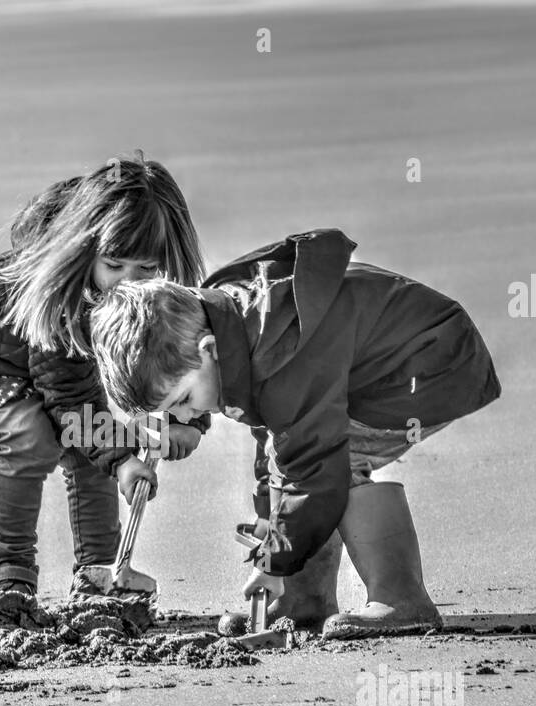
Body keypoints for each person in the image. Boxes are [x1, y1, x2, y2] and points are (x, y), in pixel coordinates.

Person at [88, 228, 501, 629]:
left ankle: (402, 599)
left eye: (182, 400)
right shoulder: (233, 328)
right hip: (389, 361)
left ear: (208, 351)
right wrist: (273, 529)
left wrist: (274, 561)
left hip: (430, 363)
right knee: (297, 462)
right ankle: (306, 601)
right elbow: (278, 445)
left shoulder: (282, 352)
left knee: (334, 462)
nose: (183, 417)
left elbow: (314, 469)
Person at [0, 155, 208, 599]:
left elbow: (182, 362)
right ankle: (10, 574)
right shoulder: (65, 296)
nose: (128, 283)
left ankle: (99, 573)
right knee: (36, 437)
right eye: (115, 265)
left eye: (146, 269)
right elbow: (69, 396)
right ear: (87, 251)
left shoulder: (156, 299)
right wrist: (124, 461)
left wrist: (185, 420)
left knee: (91, 447)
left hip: (61, 375)